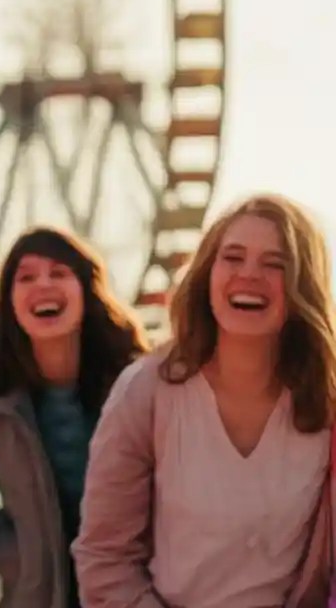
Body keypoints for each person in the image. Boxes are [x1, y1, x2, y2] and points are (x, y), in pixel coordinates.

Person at [73, 193, 336, 607]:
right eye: (233, 258)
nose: (250, 275)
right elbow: (105, 557)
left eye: (276, 264)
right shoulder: (147, 391)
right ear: (206, 274)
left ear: (303, 285)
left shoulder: (326, 402)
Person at [0, 226, 150, 608]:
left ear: (86, 290)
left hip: (135, 590)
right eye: (26, 277)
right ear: (9, 301)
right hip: (37, 595)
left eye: (59, 273)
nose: (43, 285)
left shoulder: (140, 385)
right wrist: (16, 555)